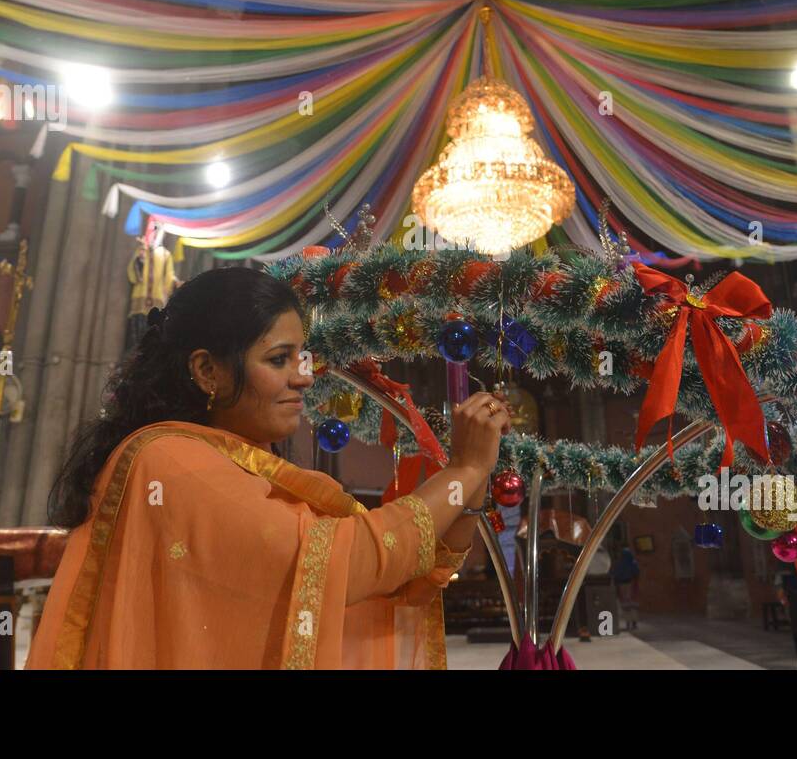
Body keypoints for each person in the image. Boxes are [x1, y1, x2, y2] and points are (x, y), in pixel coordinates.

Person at [27, 266, 509, 669]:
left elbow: (411, 575)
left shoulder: (241, 464)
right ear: (207, 371)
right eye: (279, 359)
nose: (303, 377)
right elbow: (350, 562)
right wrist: (463, 470)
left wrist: (475, 476)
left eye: (301, 357)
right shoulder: (169, 462)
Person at [612, 545, 640, 632]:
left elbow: (615, 574)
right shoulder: (633, 562)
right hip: (631, 584)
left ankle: (628, 623)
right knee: (633, 604)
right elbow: (637, 573)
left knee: (625, 604)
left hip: (621, 584)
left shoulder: (619, 563)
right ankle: (634, 622)